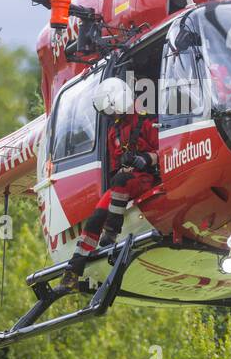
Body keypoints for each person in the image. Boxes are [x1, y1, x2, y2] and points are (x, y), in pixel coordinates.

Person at [59, 76, 160, 291]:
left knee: (121, 182)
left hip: (145, 179)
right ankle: (74, 268)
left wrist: (146, 159)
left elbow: (166, 149)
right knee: (96, 217)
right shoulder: (114, 131)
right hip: (123, 184)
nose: (111, 116)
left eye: (112, 111)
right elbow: (114, 167)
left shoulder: (147, 120)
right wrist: (121, 167)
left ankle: (111, 235)